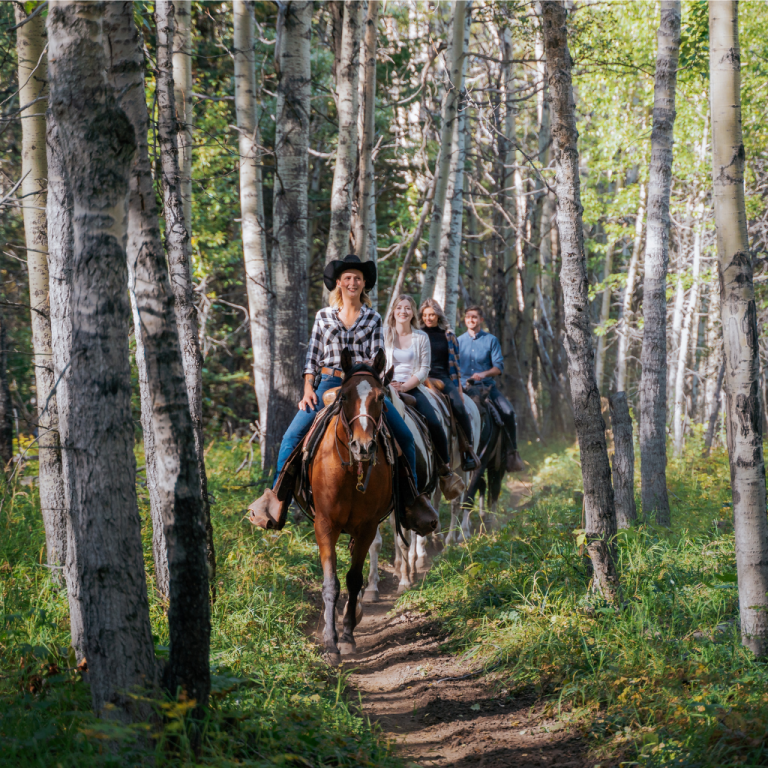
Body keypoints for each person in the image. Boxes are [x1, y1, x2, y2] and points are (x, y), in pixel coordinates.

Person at [250, 254, 436, 527]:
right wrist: (307, 390)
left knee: (406, 438)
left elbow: (377, 357)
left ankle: (410, 504)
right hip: (327, 382)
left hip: (362, 386)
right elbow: (312, 357)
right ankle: (277, 502)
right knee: (291, 437)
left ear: (364, 285)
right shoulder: (323, 317)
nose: (352, 282)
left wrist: (374, 388)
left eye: (357, 279)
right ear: (338, 283)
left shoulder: (373, 318)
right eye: (347, 278)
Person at [385, 295, 463, 498]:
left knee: (435, 423)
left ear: (412, 313)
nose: (403, 311)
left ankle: (445, 469)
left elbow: (423, 370)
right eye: (399, 307)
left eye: (408, 308)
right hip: (386, 387)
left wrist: (403, 387)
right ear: (393, 311)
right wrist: (386, 382)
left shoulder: (421, 337)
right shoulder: (384, 334)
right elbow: (377, 363)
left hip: (411, 387)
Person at [419, 298, 478, 471]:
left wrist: (458, 388)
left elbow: (455, 365)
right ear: (421, 316)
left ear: (438, 315)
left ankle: (468, 450)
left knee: (459, 406)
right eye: (425, 315)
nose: (429, 318)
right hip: (423, 378)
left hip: (443, 378)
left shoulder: (449, 335)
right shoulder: (416, 334)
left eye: (432, 314)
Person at [458, 305, 519, 459]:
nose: (471, 320)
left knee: (508, 412)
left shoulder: (491, 340)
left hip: (486, 388)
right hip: (463, 389)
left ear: (481, 320)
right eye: (468, 317)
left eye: (474, 317)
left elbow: (498, 367)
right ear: (465, 320)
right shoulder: (457, 341)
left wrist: (483, 374)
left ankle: (511, 453)